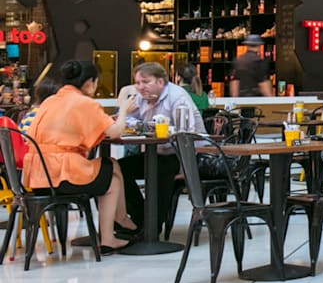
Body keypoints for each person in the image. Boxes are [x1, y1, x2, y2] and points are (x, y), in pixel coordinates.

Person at [23, 60, 137, 254]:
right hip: (63, 174)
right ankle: (111, 235)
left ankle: (120, 220)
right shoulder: (84, 103)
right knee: (112, 177)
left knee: (111, 165)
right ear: (89, 82)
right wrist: (124, 109)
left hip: (37, 176)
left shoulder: (51, 100)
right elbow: (116, 132)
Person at [118, 62, 205, 236]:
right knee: (117, 169)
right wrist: (130, 117)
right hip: (157, 152)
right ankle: (141, 218)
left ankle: (153, 228)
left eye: (145, 82)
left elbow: (185, 133)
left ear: (160, 82)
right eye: (138, 83)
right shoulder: (142, 97)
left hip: (186, 156)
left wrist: (146, 127)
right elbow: (128, 121)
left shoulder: (177, 97)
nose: (140, 87)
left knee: (162, 168)